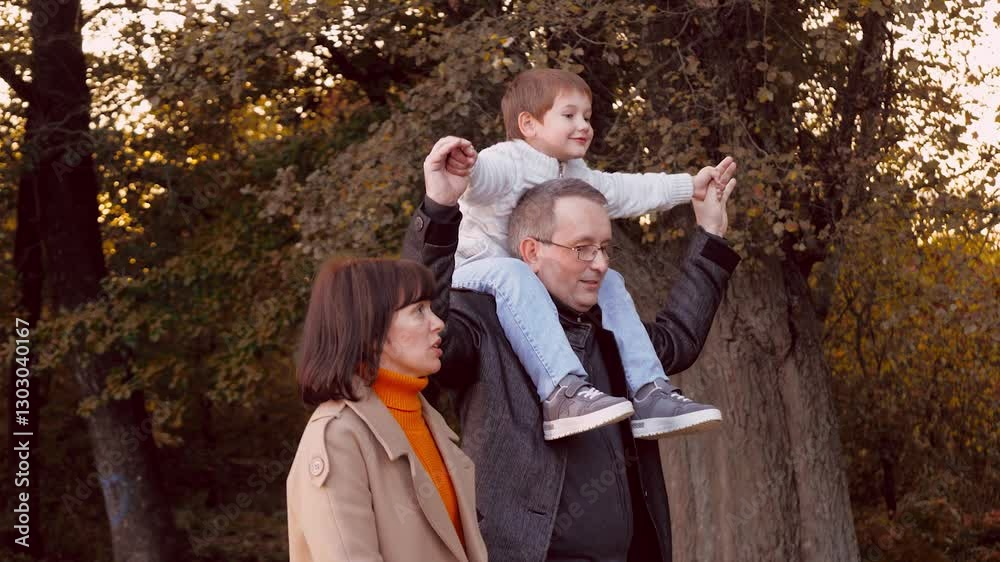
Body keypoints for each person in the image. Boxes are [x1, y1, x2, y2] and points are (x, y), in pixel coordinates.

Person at [401, 136, 740, 561]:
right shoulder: (482, 323)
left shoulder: (612, 328)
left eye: (604, 248)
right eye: (582, 248)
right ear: (531, 252)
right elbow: (423, 335)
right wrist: (437, 210)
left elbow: (677, 342)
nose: (599, 263)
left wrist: (710, 234)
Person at [443, 68, 737, 440]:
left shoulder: (576, 174)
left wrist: (688, 186)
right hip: (476, 269)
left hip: (529, 278)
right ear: (529, 124)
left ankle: (649, 391)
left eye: (587, 116)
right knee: (512, 273)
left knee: (609, 278)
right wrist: (466, 167)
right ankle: (563, 394)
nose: (583, 125)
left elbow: (623, 190)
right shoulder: (508, 160)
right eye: (569, 115)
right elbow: (483, 179)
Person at [286, 257, 489, 562]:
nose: (438, 323)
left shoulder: (429, 424)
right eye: (418, 310)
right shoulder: (337, 437)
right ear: (370, 332)